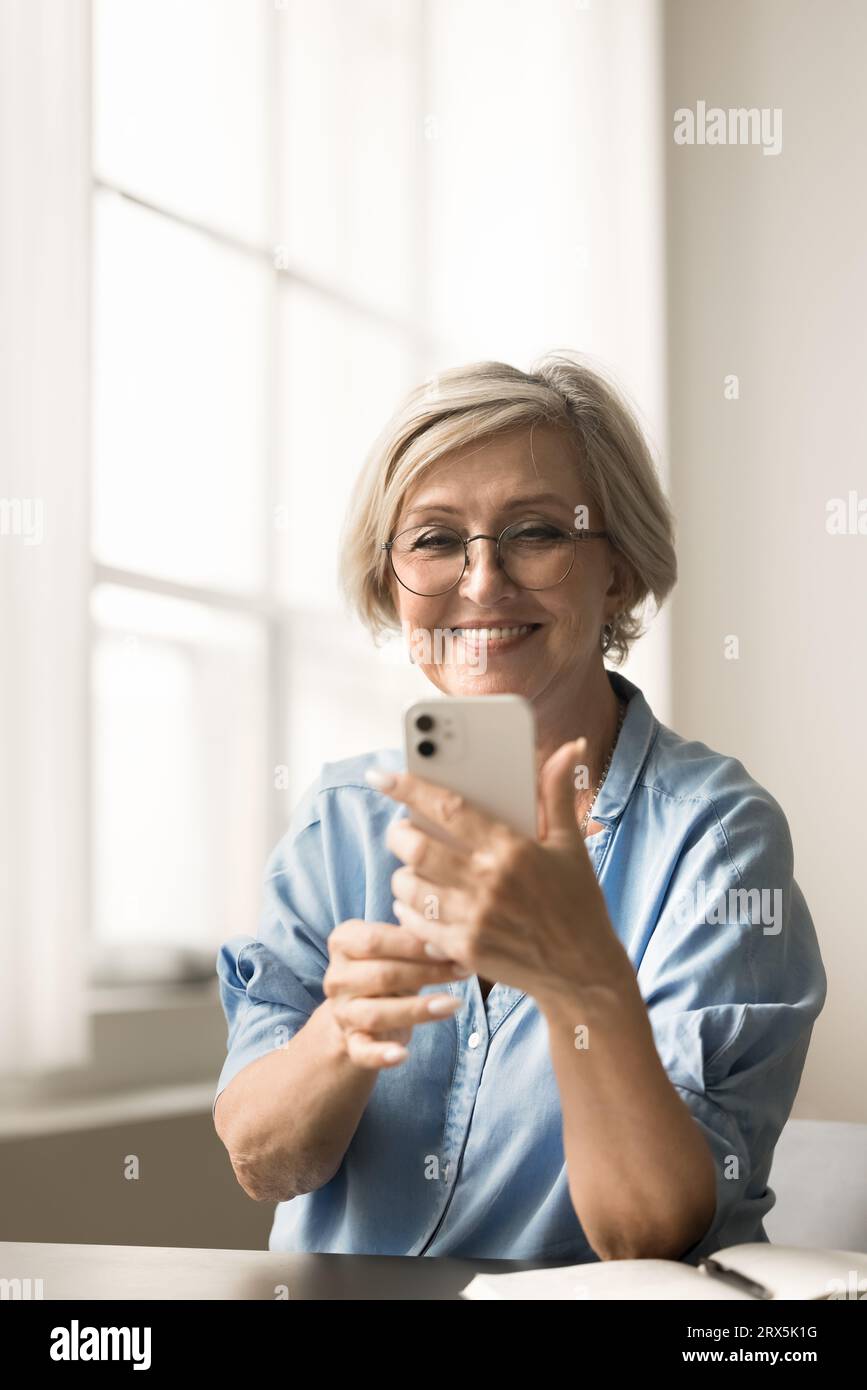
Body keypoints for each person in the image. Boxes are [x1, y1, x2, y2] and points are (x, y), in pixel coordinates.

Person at [213, 351, 826, 1263]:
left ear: (615, 572)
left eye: (536, 532)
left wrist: (580, 974)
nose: (482, 581)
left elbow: (646, 1235)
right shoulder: (340, 820)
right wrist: (340, 1034)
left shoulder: (716, 837)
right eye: (432, 539)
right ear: (391, 585)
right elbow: (264, 1165)